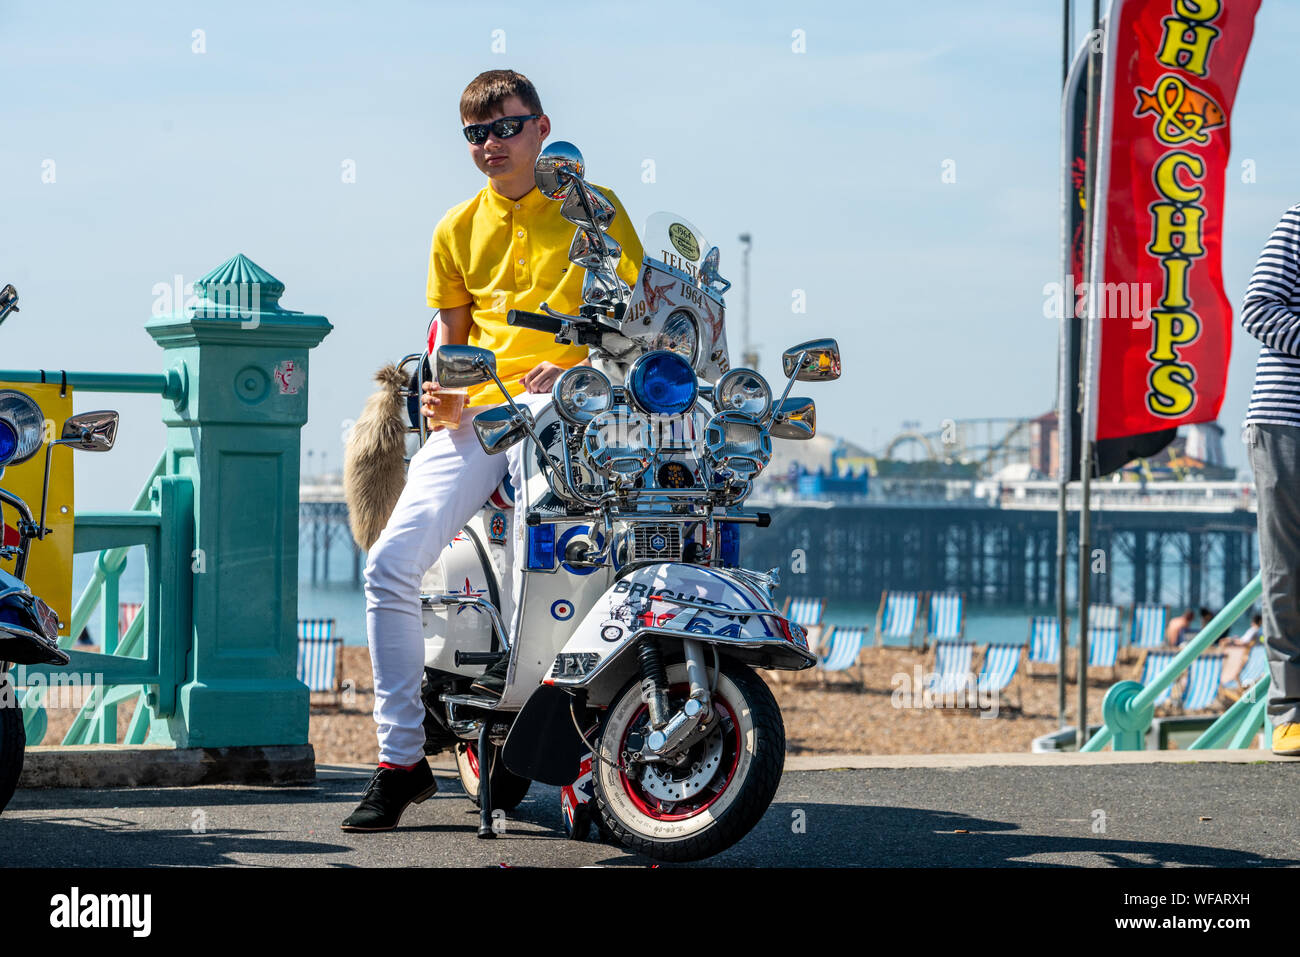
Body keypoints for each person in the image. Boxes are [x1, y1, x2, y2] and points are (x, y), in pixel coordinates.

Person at [341, 70, 644, 831]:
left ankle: (586, 754)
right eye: (476, 134)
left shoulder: (596, 209)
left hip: (572, 410)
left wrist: (578, 364)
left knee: (563, 562)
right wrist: (440, 385)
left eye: (505, 128)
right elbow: (452, 332)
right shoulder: (454, 227)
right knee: (388, 564)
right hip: (482, 410)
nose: (490, 145)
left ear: (542, 127)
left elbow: (638, 315)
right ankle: (401, 760)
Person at [1241, 203, 1300, 756]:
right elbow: (1256, 310)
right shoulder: (1298, 220)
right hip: (1286, 423)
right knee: (1286, 569)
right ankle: (1289, 712)